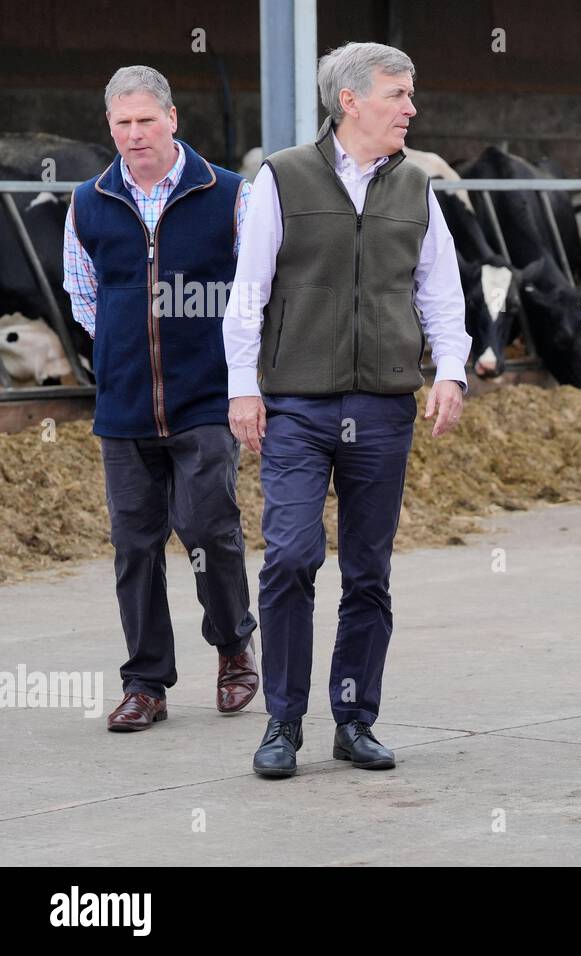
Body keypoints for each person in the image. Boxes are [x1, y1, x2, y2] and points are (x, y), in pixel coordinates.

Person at [222, 42, 471, 778]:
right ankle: (284, 721)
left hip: (385, 406)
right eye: (398, 94)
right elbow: (248, 292)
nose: (411, 108)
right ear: (351, 102)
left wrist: (451, 371)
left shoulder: (417, 187)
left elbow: (440, 291)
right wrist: (243, 385)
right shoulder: (283, 178)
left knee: (368, 571)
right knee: (293, 555)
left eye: (411, 93)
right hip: (296, 404)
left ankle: (355, 720)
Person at [64, 65, 259, 732]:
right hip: (123, 411)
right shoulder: (89, 201)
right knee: (134, 546)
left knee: (209, 529)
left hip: (205, 399)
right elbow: (85, 299)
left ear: (173, 119)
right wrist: (124, 353)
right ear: (109, 128)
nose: (135, 134)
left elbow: (256, 292)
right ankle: (146, 682)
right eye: (122, 123)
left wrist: (243, 381)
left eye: (147, 120)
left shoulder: (228, 194)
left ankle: (233, 645)